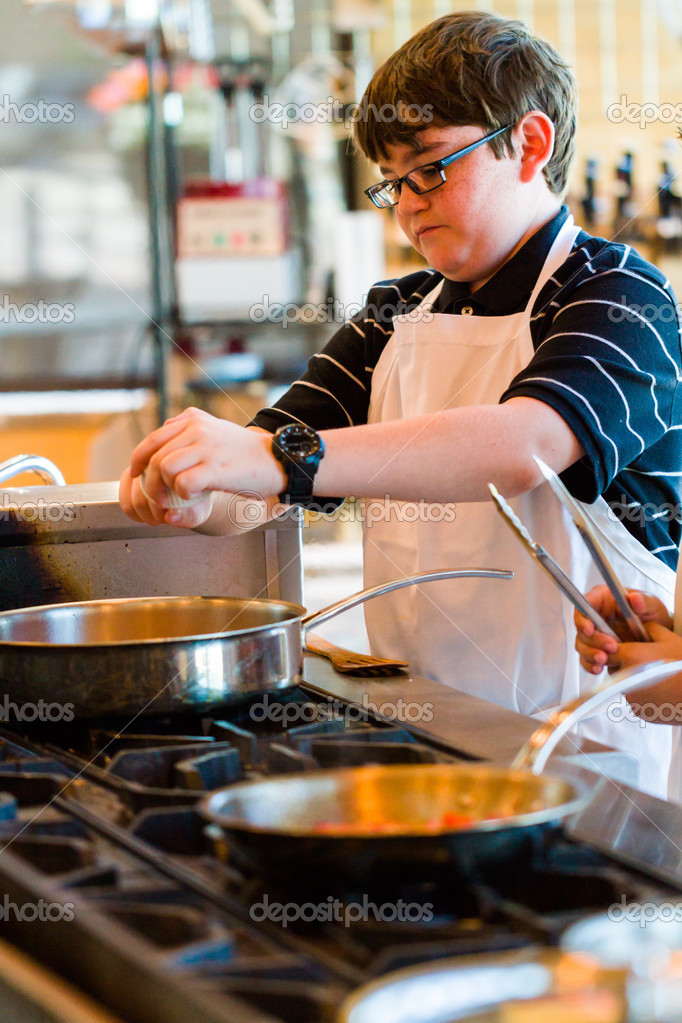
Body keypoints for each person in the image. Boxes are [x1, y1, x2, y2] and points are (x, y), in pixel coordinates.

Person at [120, 11, 682, 798]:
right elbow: (267, 464)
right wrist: (200, 491)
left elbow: (523, 444)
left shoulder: (621, 297)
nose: (409, 203)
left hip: (598, 754)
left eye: (430, 168)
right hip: (435, 734)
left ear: (529, 142)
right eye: (391, 181)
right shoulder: (395, 312)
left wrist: (282, 460)